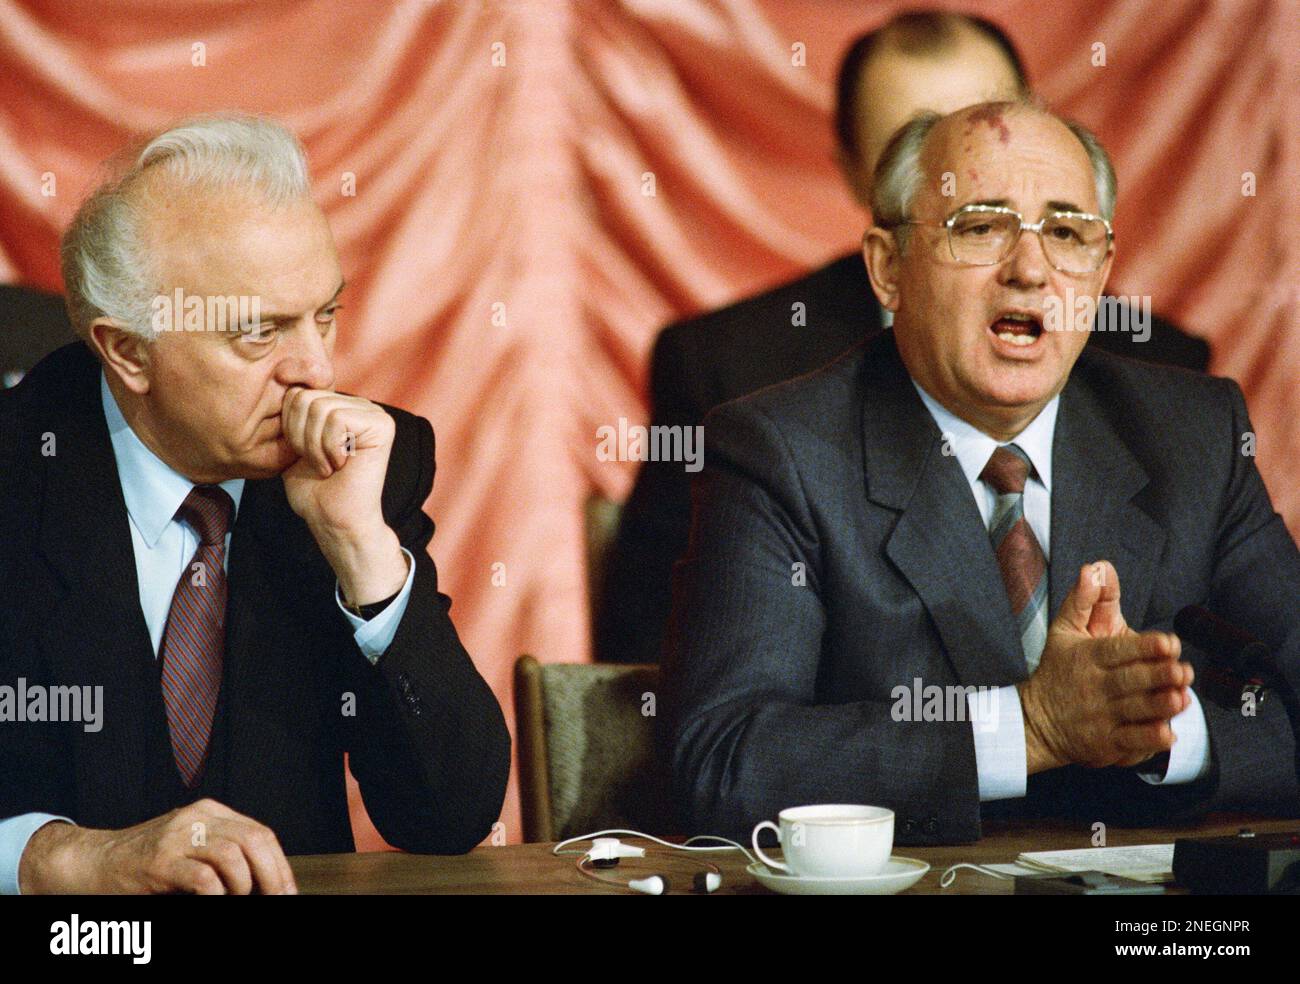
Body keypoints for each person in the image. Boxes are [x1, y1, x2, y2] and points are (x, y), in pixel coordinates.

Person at [661, 100, 1300, 843]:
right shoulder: (781, 452)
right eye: (981, 226)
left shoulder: (1194, 436)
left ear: (1099, 275)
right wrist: (1032, 727)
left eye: (1066, 233)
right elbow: (724, 760)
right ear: (888, 268)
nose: (1029, 270)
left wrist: (1159, 735)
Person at [598, 11, 1209, 664]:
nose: (969, 171)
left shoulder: (1165, 373)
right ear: (859, 173)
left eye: (989, 124)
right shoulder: (732, 375)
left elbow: (1244, 674)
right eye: (921, 149)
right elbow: (655, 666)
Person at [0, 115, 511, 894]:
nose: (316, 368)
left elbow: (447, 817)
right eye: (260, 332)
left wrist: (362, 551)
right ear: (130, 351)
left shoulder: (364, 468)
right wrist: (67, 860)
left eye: (326, 315)